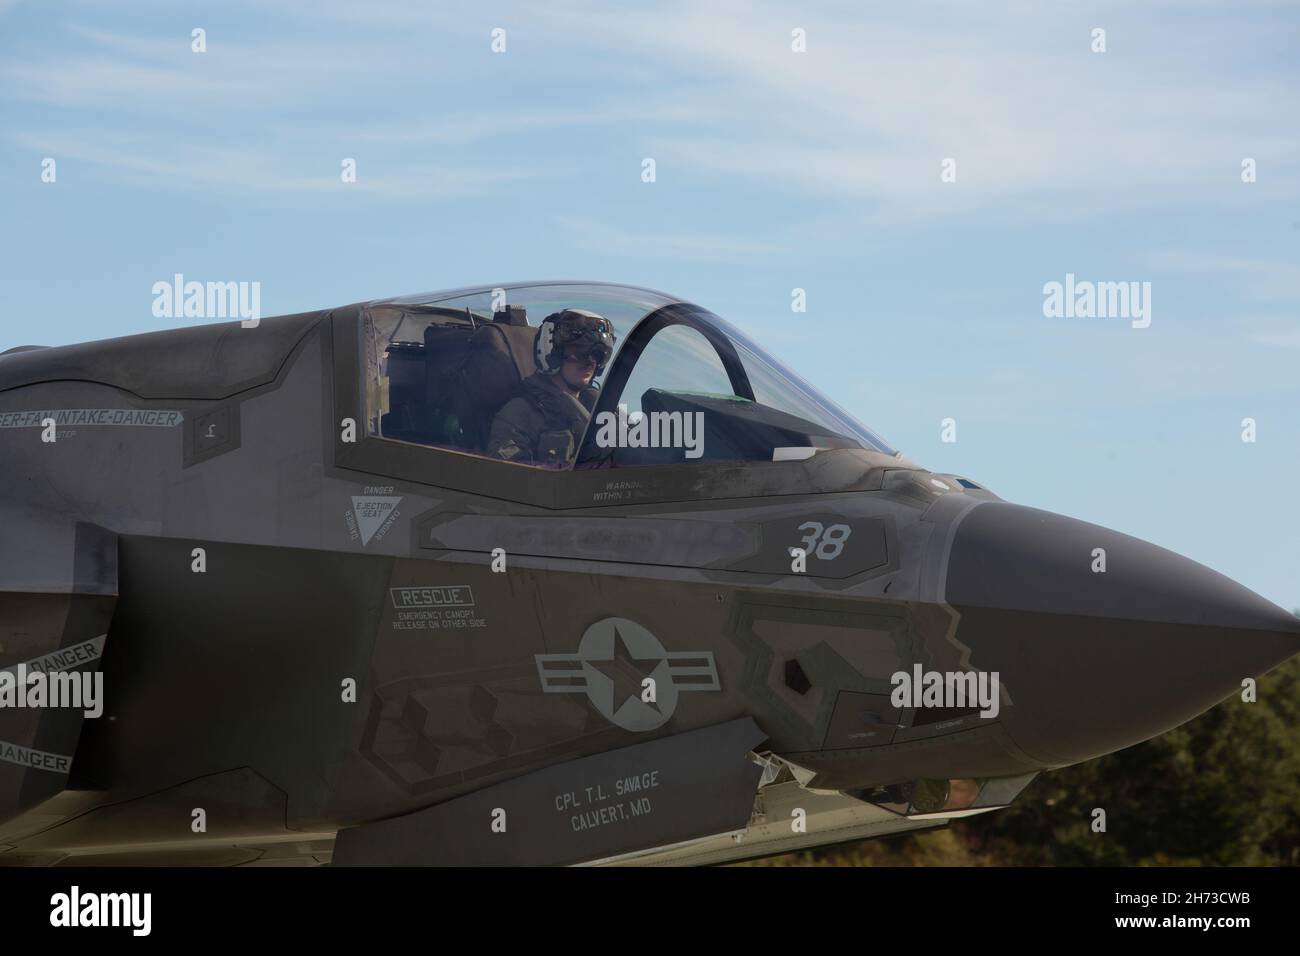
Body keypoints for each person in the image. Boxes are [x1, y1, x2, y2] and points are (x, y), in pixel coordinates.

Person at [487, 309, 616, 466]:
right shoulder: (521, 413)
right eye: (580, 353)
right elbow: (506, 473)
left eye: (597, 355)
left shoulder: (601, 410)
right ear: (553, 354)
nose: (590, 362)